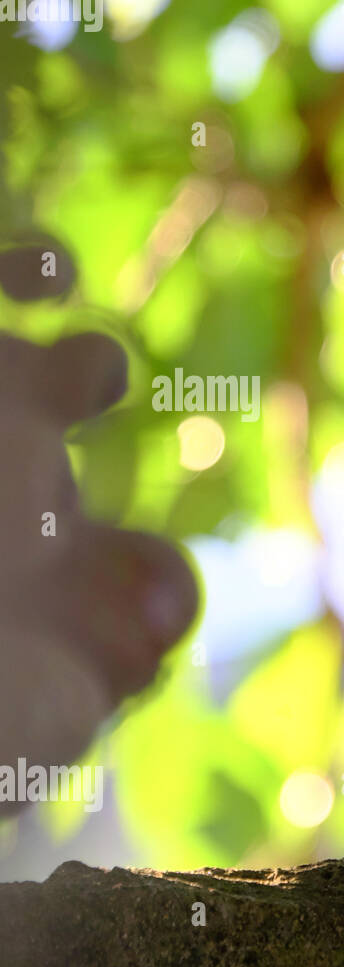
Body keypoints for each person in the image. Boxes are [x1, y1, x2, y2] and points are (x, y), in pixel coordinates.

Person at [0, 241, 198, 816]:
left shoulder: (68, 701)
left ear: (140, 666)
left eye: (149, 607)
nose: (125, 588)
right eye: (136, 567)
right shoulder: (45, 505)